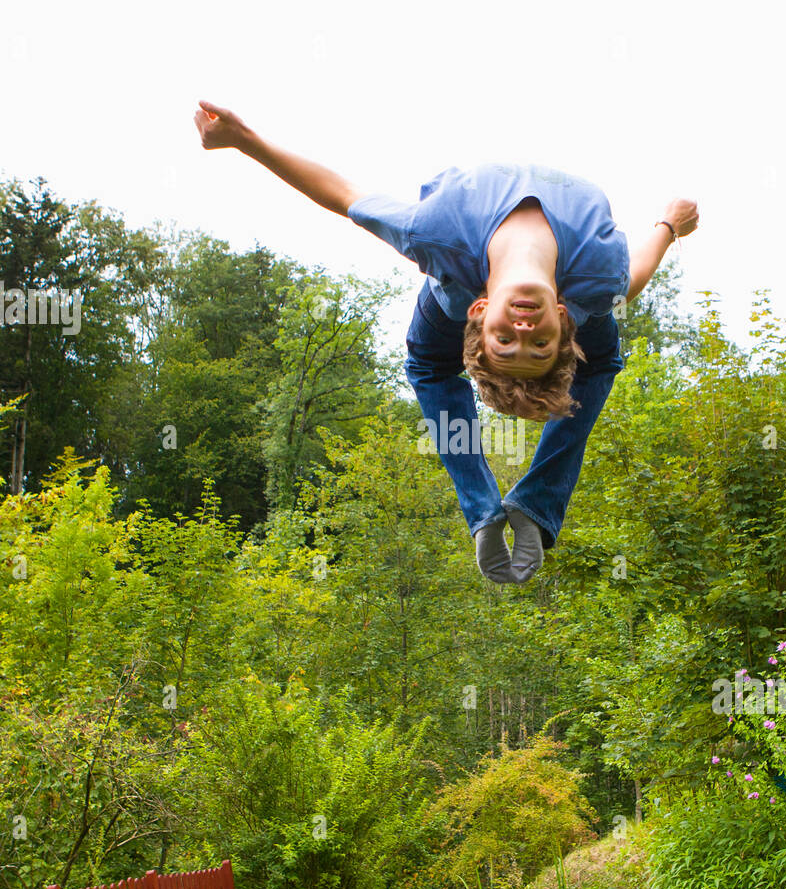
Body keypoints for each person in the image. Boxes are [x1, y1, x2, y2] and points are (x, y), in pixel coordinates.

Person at [193, 100, 698, 582]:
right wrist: (667, 227)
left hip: (455, 284)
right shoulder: (598, 276)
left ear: (481, 316)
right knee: (601, 359)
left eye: (504, 341)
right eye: (540, 347)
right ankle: (531, 506)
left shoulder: (435, 233)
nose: (523, 333)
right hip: (575, 284)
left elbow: (343, 195)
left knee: (430, 368)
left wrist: (244, 140)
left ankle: (489, 512)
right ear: (564, 320)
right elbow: (632, 278)